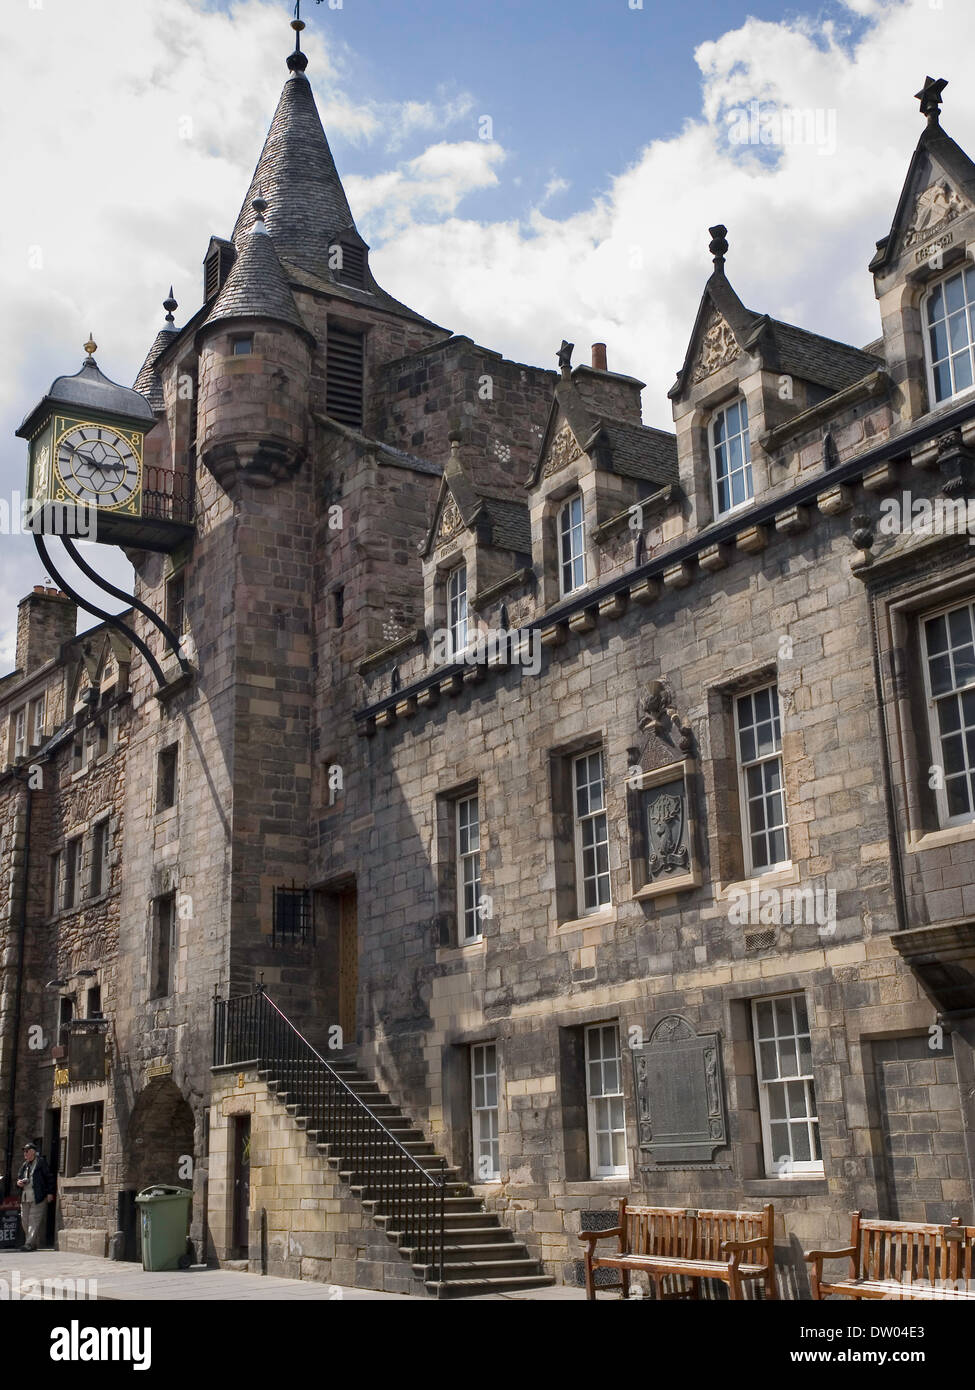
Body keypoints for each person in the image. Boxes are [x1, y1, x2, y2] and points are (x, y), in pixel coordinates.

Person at [16, 1141, 55, 1251]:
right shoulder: (24, 1165)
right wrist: (18, 1183)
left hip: (38, 1196)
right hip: (25, 1196)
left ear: (33, 1152)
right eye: (24, 1151)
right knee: (25, 1221)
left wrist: (49, 1192)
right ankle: (32, 1243)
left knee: (33, 1220)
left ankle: (28, 1244)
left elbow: (49, 1178)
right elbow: (19, 1178)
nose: (25, 1153)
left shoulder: (41, 1163)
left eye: (26, 1151)